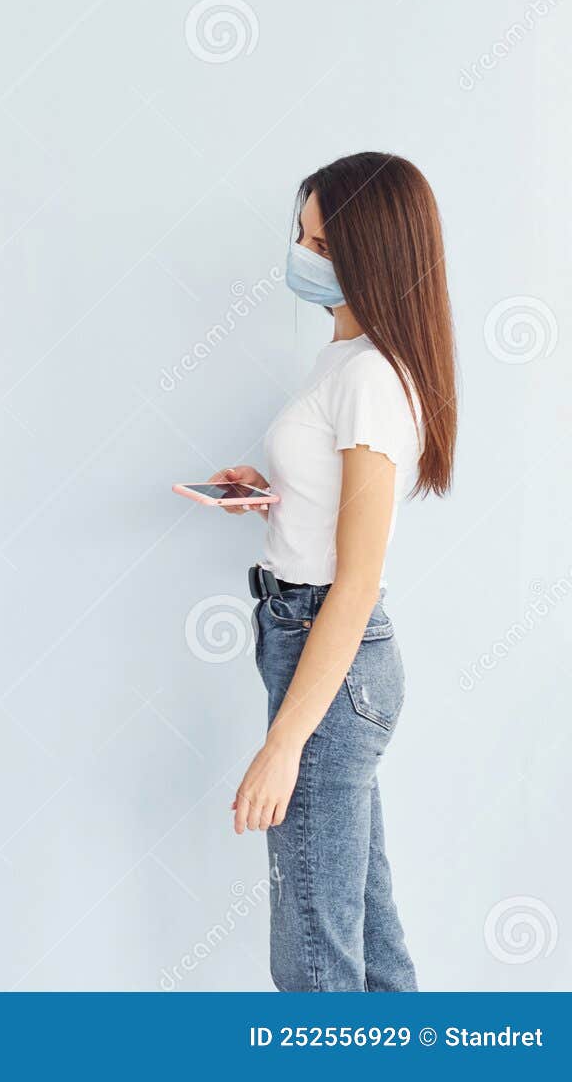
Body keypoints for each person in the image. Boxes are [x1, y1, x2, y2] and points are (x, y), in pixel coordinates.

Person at [211, 152, 457, 991]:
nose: (304, 255)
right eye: (303, 235)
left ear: (374, 254)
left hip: (331, 653)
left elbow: (354, 582)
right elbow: (333, 521)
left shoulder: (371, 378)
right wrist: (275, 494)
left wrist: (284, 746)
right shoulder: (343, 359)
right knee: (369, 940)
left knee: (315, 961)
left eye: (324, 241)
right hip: (312, 643)